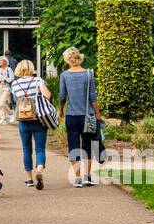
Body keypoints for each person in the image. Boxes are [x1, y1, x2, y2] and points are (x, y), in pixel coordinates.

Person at [56, 47, 102, 187]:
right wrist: (98, 114)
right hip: (87, 116)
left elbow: (62, 96)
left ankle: (77, 178)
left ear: (67, 60)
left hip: (71, 116)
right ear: (79, 58)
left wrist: (61, 110)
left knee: (74, 146)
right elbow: (93, 97)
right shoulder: (88, 74)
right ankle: (87, 176)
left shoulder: (64, 75)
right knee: (87, 145)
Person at [10, 59, 52, 189]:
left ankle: (29, 179)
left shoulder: (14, 84)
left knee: (26, 149)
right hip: (39, 119)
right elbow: (48, 96)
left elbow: (15, 102)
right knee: (40, 148)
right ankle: (39, 170)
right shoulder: (38, 81)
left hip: (23, 120)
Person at [0, 55, 15, 125]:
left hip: (6, 87)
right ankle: (3, 118)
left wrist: (4, 79)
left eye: (1, 61)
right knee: (0, 104)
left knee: (2, 103)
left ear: (5, 62)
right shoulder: (0, 69)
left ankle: (11, 114)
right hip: (0, 87)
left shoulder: (9, 69)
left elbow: (12, 78)